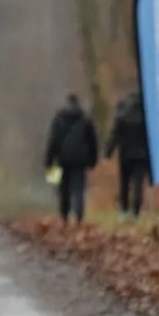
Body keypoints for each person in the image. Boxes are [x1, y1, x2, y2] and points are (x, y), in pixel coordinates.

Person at [43, 93, 98, 226]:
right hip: (80, 160)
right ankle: (79, 216)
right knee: (78, 188)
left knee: (63, 190)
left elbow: (53, 140)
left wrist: (49, 160)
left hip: (62, 159)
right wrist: (92, 160)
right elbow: (93, 142)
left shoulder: (59, 119)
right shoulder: (85, 119)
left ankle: (64, 217)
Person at [104, 90, 150, 221]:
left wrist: (108, 151)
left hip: (126, 155)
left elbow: (115, 135)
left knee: (124, 183)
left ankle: (123, 210)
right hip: (142, 156)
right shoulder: (147, 116)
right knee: (138, 184)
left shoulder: (123, 115)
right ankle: (135, 211)